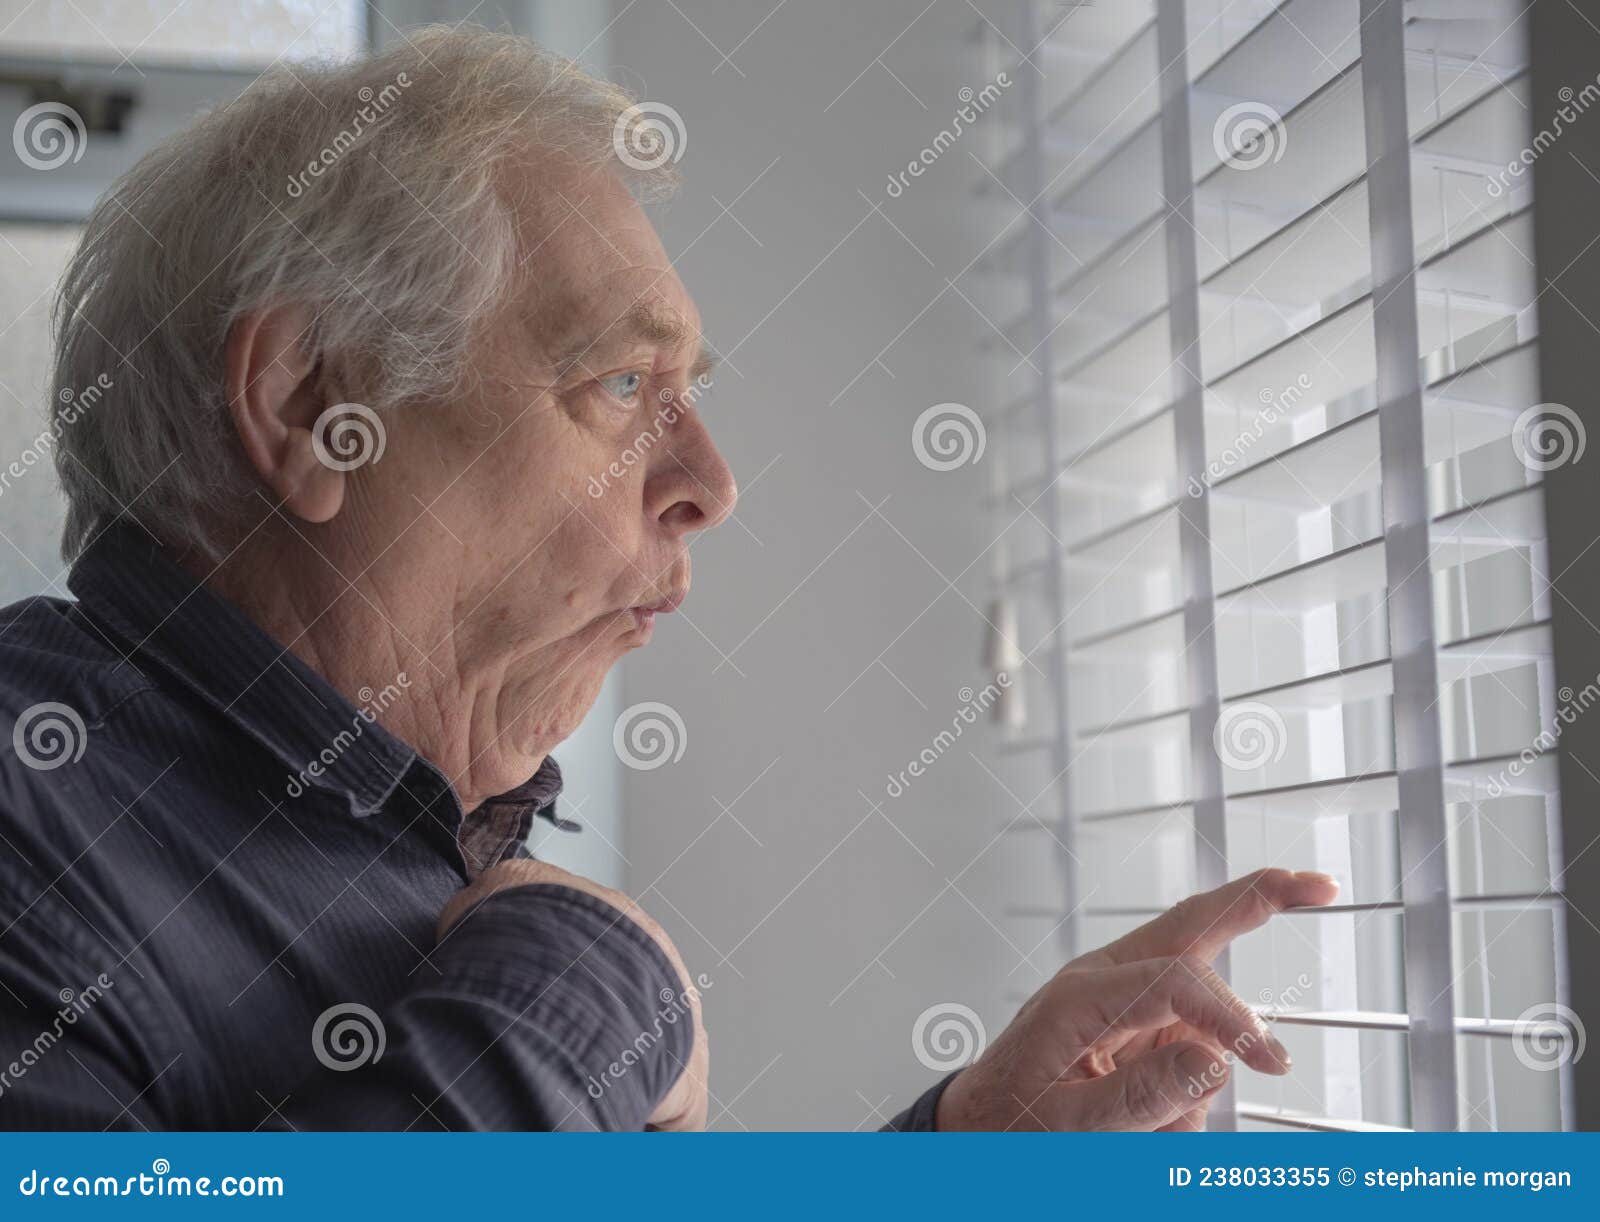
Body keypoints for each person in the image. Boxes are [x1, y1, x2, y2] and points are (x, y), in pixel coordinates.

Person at [0, 26, 1335, 1131]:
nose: (713, 477)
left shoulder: (436, 833)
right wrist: (590, 991)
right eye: (623, 382)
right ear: (309, 404)